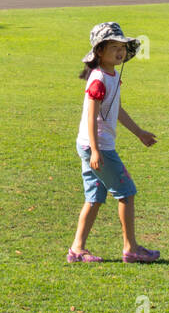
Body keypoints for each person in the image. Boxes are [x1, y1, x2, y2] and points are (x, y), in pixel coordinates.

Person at [68, 22, 160, 264]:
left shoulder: (112, 76)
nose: (120, 52)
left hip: (92, 146)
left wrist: (139, 132)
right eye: (114, 47)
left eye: (122, 47)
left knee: (95, 198)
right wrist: (96, 150)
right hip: (97, 147)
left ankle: (77, 249)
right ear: (100, 51)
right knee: (126, 192)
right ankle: (130, 248)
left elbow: (115, 108)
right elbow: (91, 114)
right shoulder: (98, 79)